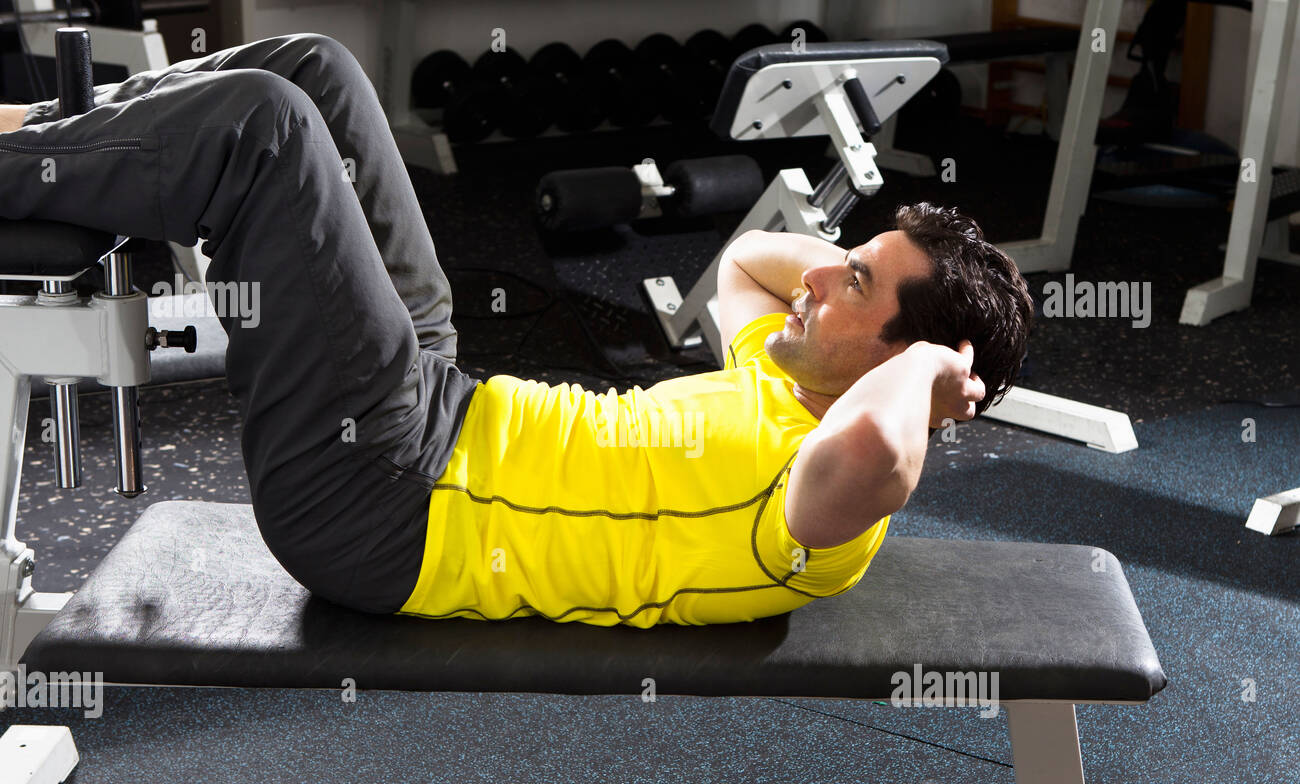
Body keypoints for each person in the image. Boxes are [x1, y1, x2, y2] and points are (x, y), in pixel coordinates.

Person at [0, 34, 1033, 628]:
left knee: (266, 128)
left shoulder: (824, 509)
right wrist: (857, 312)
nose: (815, 270)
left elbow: (882, 445)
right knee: (319, 73)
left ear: (905, 360)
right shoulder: (786, 380)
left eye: (853, 278)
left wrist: (938, 364)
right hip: (435, 401)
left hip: (384, 502)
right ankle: (41, 138)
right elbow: (754, 268)